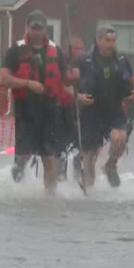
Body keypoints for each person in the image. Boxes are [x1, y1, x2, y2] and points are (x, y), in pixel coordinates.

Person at [0, 10, 70, 193]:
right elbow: (2, 79)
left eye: (41, 28)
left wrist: (79, 97)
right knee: (22, 158)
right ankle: (14, 191)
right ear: (27, 28)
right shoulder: (15, 51)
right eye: (34, 27)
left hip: (50, 111)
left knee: (50, 157)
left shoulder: (57, 51)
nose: (37, 31)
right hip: (26, 111)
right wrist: (27, 83)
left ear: (46, 29)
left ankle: (50, 198)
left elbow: (65, 83)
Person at [76, 25, 134, 188]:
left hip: (113, 108)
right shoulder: (85, 60)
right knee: (89, 158)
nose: (111, 44)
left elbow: (131, 80)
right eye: (107, 40)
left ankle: (110, 165)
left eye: (113, 41)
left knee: (120, 138)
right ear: (98, 40)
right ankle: (88, 193)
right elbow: (70, 85)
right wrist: (79, 97)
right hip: (91, 111)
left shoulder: (121, 60)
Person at [56, 37, 85, 181]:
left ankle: (78, 176)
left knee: (79, 145)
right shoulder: (62, 63)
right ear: (69, 50)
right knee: (62, 146)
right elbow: (64, 82)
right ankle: (60, 177)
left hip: (77, 110)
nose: (80, 52)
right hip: (61, 109)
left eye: (82, 49)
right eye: (77, 49)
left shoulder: (85, 64)